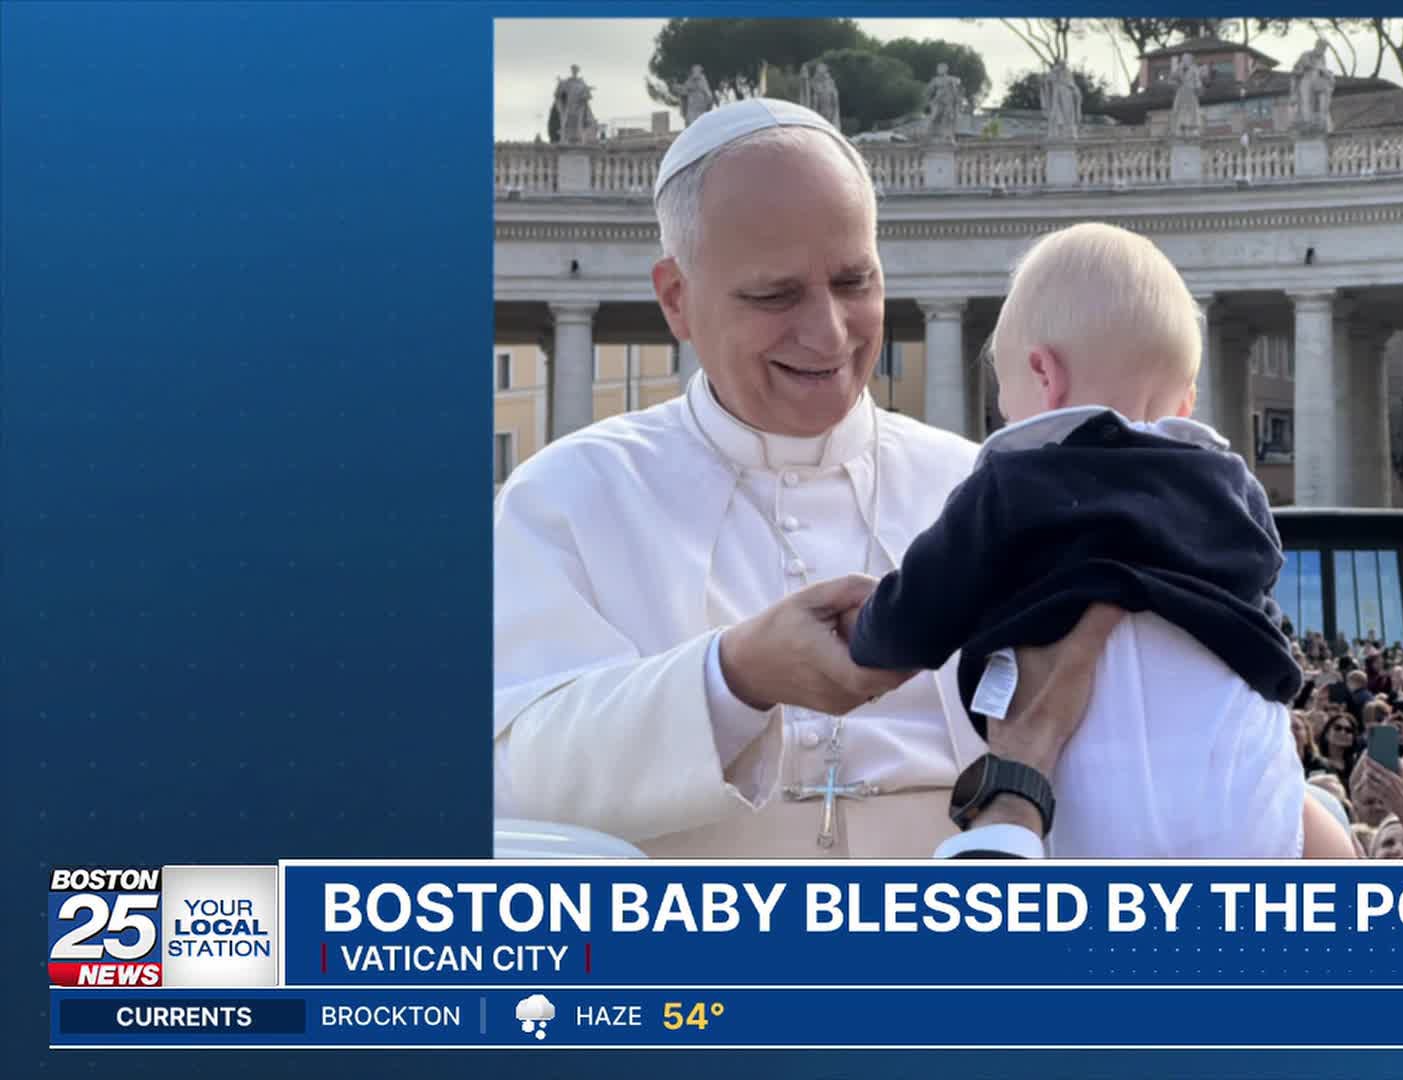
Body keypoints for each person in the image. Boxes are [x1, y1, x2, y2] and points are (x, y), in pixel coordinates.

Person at [494, 98, 1116, 858]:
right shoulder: (567, 495)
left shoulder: (982, 486)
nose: (829, 333)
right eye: (774, 295)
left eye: (854, 282)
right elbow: (514, 774)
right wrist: (734, 679)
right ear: (676, 299)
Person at [850, 223, 1307, 857]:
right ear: (1187, 400)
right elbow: (1263, 602)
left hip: (1091, 773)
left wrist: (867, 630)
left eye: (1003, 397)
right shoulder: (1233, 486)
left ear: (1043, 374)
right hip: (1241, 778)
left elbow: (916, 615)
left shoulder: (1012, 482)